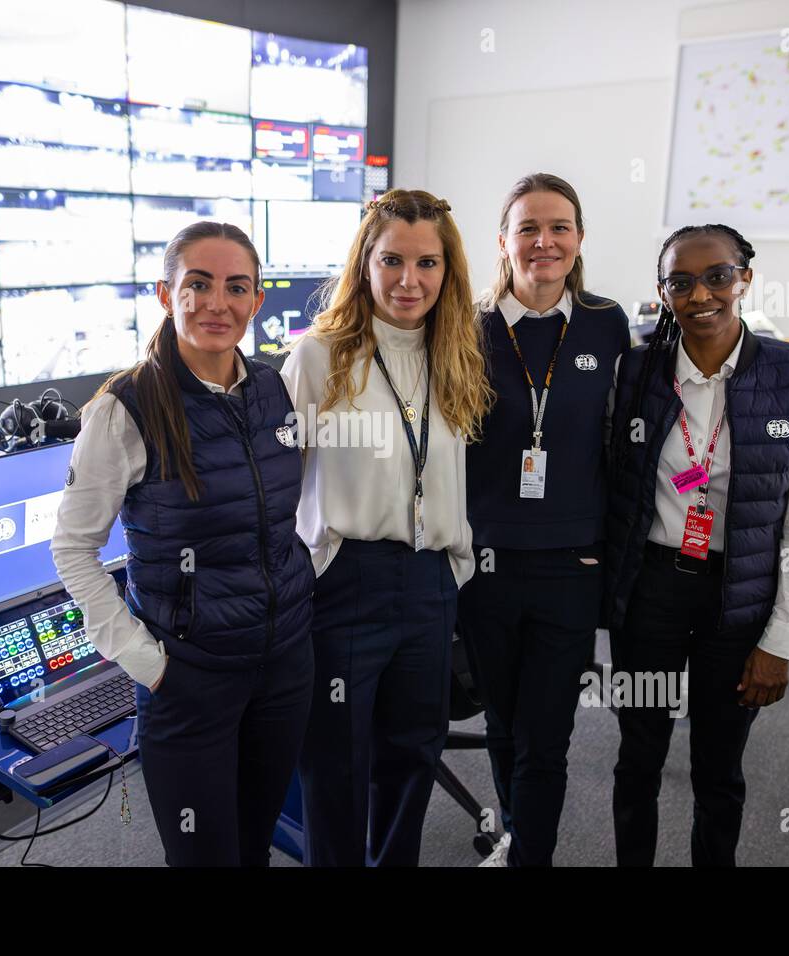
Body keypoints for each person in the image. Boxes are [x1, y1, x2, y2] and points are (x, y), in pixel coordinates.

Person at [51, 221, 315, 867]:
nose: (217, 303)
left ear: (256, 301)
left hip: (283, 666)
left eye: (236, 286)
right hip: (189, 679)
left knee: (253, 846)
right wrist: (147, 663)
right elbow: (72, 548)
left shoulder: (275, 390)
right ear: (168, 294)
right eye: (198, 284)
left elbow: (284, 517)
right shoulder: (125, 408)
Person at [604, 223, 789, 867]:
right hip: (652, 590)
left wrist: (780, 640)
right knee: (638, 755)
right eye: (681, 281)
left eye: (717, 276)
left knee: (719, 768)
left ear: (745, 279)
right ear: (663, 292)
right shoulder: (635, 369)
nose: (700, 293)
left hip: (740, 598)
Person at [280, 189, 491, 866]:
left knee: (412, 754)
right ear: (364, 263)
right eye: (392, 260)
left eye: (427, 263)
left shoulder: (456, 352)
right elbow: (282, 480)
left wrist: (451, 569)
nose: (410, 280)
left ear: (447, 271)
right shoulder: (320, 357)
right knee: (336, 762)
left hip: (430, 579)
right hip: (347, 580)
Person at [457, 173, 630, 867]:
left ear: (579, 239)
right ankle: (515, 841)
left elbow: (621, 439)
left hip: (572, 563)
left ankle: (532, 857)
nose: (544, 241)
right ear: (504, 241)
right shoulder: (465, 327)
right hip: (485, 562)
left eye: (559, 227)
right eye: (528, 227)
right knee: (502, 723)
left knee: (547, 737)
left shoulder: (606, 322)